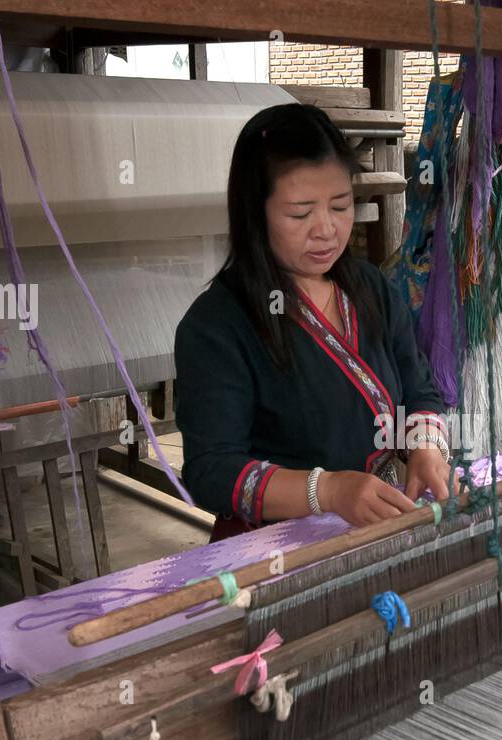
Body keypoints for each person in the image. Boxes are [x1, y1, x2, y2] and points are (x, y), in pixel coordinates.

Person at [174, 103, 457, 542]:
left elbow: (419, 389)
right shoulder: (217, 325)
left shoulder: (369, 288)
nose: (326, 230)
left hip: (373, 534)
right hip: (274, 558)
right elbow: (212, 470)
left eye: (340, 206)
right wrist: (326, 490)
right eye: (301, 214)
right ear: (255, 214)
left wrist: (425, 447)